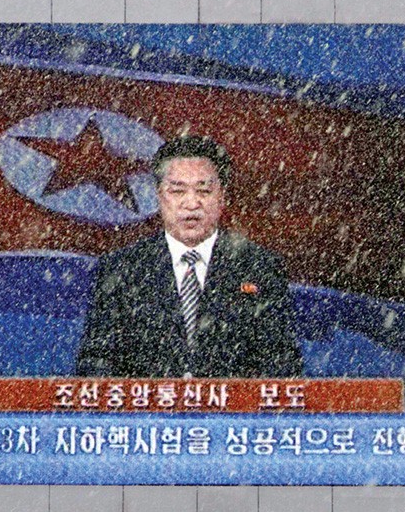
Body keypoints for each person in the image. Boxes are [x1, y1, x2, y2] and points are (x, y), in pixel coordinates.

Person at [75, 134, 303, 378]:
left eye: (204, 191)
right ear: (159, 196)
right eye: (177, 191)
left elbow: (282, 364)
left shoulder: (259, 267)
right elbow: (96, 363)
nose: (191, 203)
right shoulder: (122, 269)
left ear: (222, 197)